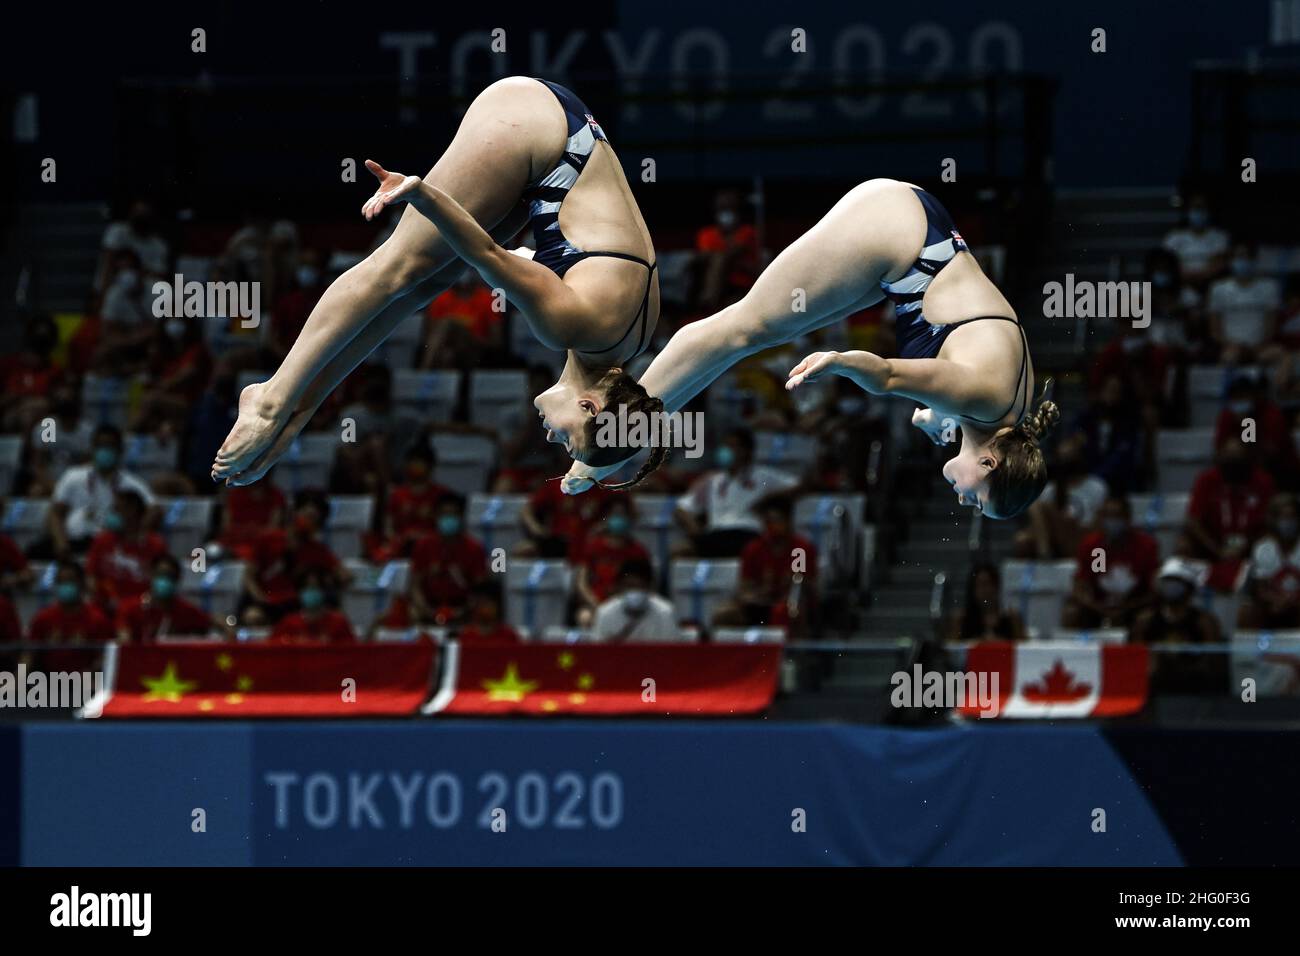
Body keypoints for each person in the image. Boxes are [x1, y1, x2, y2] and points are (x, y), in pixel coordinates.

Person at [211, 77, 659, 487]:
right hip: (532, 125)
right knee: (398, 267)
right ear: (589, 406)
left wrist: (591, 466)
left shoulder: (624, 343)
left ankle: (297, 409)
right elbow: (486, 255)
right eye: (567, 442)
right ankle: (271, 399)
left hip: (560, 142)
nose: (552, 440)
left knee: (423, 286)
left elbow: (523, 259)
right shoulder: (570, 327)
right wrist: (420, 193)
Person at [559, 179, 1056, 519]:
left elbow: (934, 406)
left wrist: (935, 421)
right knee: (740, 329)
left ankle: (622, 433)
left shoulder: (1008, 415)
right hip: (894, 233)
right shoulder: (986, 400)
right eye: (977, 500)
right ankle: (608, 434)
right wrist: (838, 363)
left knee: (748, 336)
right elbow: (884, 376)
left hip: (912, 243)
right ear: (990, 464)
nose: (964, 502)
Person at [675, 428, 799, 557]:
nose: (727, 450)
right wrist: (695, 530)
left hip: (749, 534)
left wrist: (768, 499)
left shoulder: (762, 476)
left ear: (746, 451)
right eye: (725, 446)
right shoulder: (711, 480)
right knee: (679, 551)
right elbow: (682, 508)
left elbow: (797, 486)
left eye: (732, 445)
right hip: (716, 534)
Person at [45, 424, 157, 557]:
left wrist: (133, 535)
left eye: (110, 446)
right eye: (100, 445)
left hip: (110, 547)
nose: (105, 450)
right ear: (92, 448)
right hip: (74, 542)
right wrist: (61, 544)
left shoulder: (131, 483)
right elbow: (55, 513)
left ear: (120, 450)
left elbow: (155, 510)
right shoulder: (73, 476)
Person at [713, 493, 817, 632]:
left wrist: (785, 588)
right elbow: (745, 587)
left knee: (786, 611)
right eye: (767, 521)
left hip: (788, 606)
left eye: (775, 521)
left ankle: (788, 651)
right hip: (760, 604)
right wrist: (756, 595)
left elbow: (800, 588)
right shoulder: (754, 548)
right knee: (723, 615)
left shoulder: (799, 549)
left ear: (788, 522)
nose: (770, 526)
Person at [1186, 438, 1275, 592]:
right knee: (1183, 546)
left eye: (1238, 455)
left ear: (1247, 457)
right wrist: (1218, 550)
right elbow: (1194, 521)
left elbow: (1270, 522)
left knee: (1271, 543)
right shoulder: (1207, 479)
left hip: (1251, 548)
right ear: (1220, 456)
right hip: (1213, 546)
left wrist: (1248, 547)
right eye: (1229, 455)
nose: (1234, 460)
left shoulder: (1263, 481)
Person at [1062, 495, 1160, 630]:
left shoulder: (1145, 546)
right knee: (1072, 612)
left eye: (1116, 516)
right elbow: (1081, 585)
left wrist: (1127, 607)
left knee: (1146, 617)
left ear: (1127, 518)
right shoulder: (1095, 547)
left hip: (1134, 606)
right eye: (1107, 516)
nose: (1111, 521)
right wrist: (1098, 607)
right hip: (1098, 608)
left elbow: (1154, 589)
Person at [1129, 557, 1225, 694]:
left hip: (1194, 689)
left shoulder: (1204, 622)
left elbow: (1214, 663)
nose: (1171, 586)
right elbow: (1135, 660)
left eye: (1176, 581)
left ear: (1189, 587)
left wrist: (1186, 668)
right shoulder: (1145, 621)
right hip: (1156, 690)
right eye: (1167, 581)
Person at [84, 489, 169, 614]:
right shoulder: (102, 541)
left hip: (141, 610)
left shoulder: (155, 545)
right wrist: (102, 599)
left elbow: (161, 581)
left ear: (132, 510)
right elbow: (90, 576)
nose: (114, 514)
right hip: (105, 610)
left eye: (118, 509)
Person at [115, 554, 230, 643]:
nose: (165, 580)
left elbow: (213, 621)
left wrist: (228, 627)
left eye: (170, 577)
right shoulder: (130, 607)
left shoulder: (183, 609)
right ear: (151, 575)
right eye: (160, 575)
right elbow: (123, 639)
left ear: (177, 580)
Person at [574, 497, 651, 626]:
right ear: (607, 517)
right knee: (584, 617)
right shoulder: (594, 547)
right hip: (596, 603)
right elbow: (581, 583)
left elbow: (648, 584)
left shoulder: (638, 551)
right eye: (615, 514)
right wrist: (594, 603)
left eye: (623, 514)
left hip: (628, 606)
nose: (619, 518)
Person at [1207, 243, 1282, 364]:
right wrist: (1232, 345)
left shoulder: (1269, 287)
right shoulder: (1218, 289)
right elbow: (1215, 330)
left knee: (1282, 356)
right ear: (1231, 261)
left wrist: (1258, 346)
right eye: (1239, 257)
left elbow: (1271, 326)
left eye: (1248, 257)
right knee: (1229, 358)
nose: (1243, 261)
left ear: (1255, 260)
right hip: (1231, 348)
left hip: (1261, 347)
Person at [1240, 494, 1300, 630]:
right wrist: (1276, 600)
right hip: (1272, 604)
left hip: (1297, 603)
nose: (1289, 522)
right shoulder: (1263, 548)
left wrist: (1291, 600)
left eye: (1292, 517)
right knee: (1247, 612)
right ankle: (1251, 650)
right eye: (1284, 518)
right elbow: (1261, 588)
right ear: (1274, 520)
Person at [591, 559, 680, 643]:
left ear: (650, 588)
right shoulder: (605, 613)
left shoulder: (666, 612)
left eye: (640, 586)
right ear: (619, 587)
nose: (634, 591)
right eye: (629, 586)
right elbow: (598, 652)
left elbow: (672, 653)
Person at [27, 561, 114, 645]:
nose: (64, 585)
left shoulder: (97, 620)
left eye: (69, 580)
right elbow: (28, 655)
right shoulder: (42, 619)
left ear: (81, 583)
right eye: (60, 581)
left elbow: (105, 656)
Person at [1160, 194, 1229, 289]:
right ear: (1187, 211)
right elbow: (1166, 264)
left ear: (1209, 211)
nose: (1198, 212)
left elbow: (1219, 263)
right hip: (1180, 286)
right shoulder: (1173, 237)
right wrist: (1186, 277)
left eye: (1202, 208)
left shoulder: (1220, 237)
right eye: (1195, 208)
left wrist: (1201, 277)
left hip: (1212, 286)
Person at [946, 563, 1026, 642]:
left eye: (986, 584)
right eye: (978, 585)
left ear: (996, 586)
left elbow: (1025, 649)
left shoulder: (1012, 618)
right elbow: (952, 648)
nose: (983, 590)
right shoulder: (961, 620)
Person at [271, 570, 356, 644]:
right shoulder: (288, 623)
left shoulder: (339, 623)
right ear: (299, 592)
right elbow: (273, 650)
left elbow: (351, 652)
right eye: (306, 588)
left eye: (315, 588)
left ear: (324, 591)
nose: (311, 592)